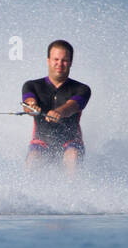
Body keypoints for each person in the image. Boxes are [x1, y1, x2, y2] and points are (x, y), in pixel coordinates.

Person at [21, 40, 91, 171]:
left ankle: (74, 189)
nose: (60, 64)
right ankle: (25, 189)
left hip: (71, 143)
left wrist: (59, 112)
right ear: (48, 60)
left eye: (64, 60)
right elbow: (28, 102)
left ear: (70, 62)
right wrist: (31, 107)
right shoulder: (32, 86)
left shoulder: (82, 89)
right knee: (32, 159)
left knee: (73, 156)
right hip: (41, 143)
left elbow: (73, 106)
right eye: (56, 59)